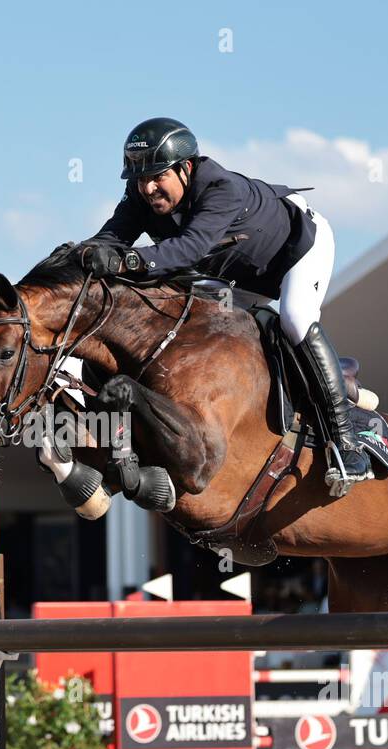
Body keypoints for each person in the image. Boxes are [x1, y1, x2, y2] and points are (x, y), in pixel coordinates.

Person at [82, 117, 372, 496]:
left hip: (295, 250)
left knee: (295, 319)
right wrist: (79, 259)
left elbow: (189, 249)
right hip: (234, 273)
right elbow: (111, 239)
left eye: (157, 177)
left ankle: (347, 444)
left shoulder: (220, 189)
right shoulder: (141, 195)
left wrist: (127, 263)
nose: (148, 187)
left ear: (185, 169)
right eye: (139, 179)